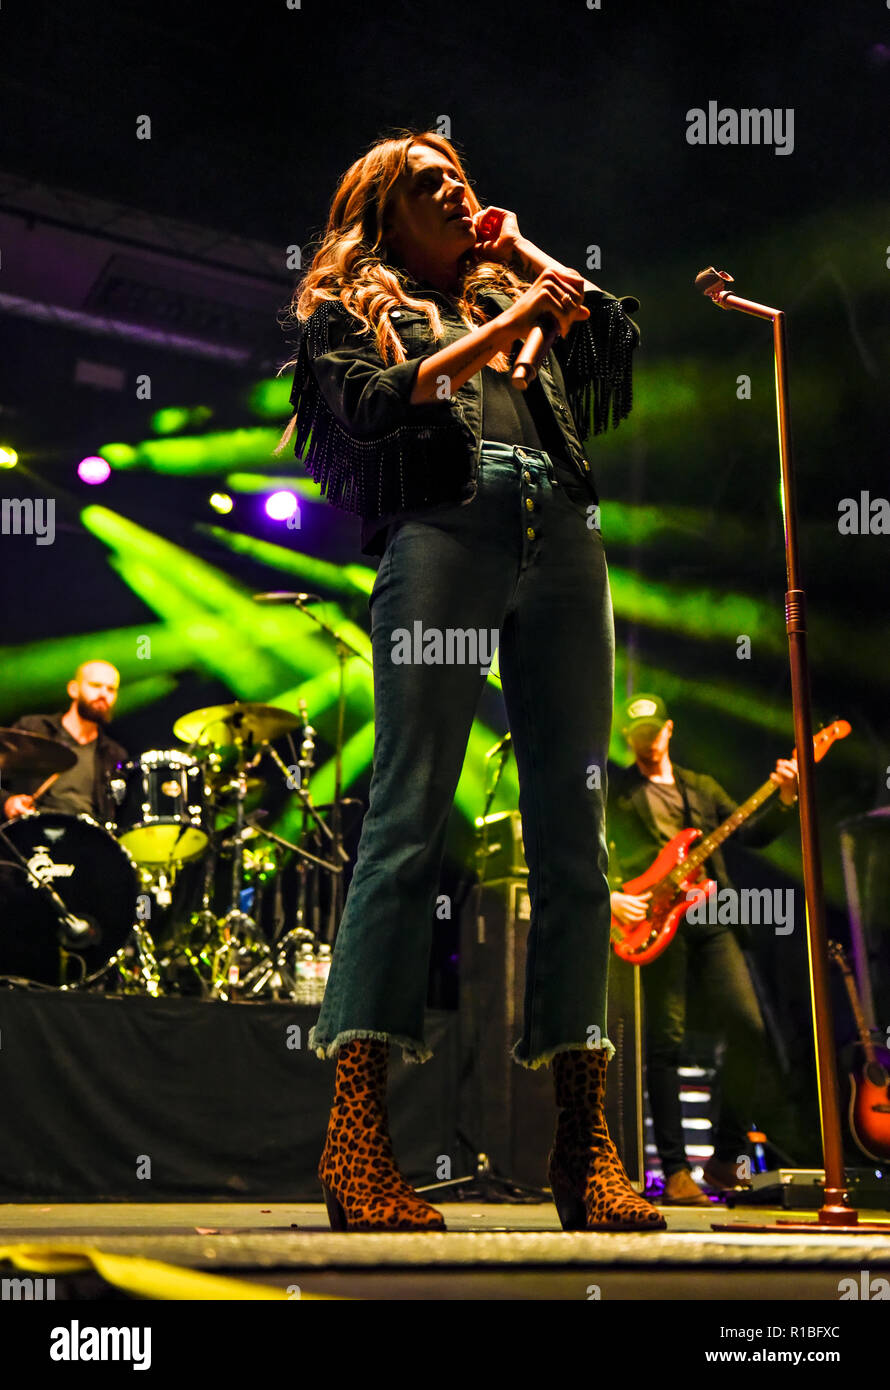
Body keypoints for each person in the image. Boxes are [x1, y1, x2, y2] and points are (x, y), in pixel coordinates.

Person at [277, 129, 664, 1233]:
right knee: (406, 820)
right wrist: (513, 317)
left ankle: (582, 1148)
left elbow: (614, 334)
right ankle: (357, 1140)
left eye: (460, 178)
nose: (455, 190)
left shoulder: (510, 289)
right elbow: (368, 406)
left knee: (576, 838)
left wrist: (525, 259)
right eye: (427, 183)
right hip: (446, 528)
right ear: (382, 213)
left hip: (562, 531)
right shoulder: (352, 305)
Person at [608, 693, 799, 1205]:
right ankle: (675, 1170)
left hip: (710, 915)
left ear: (668, 730)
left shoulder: (701, 788)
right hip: (652, 920)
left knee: (749, 1028)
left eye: (653, 733)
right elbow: (591, 847)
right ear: (627, 738)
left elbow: (751, 833)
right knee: (665, 1041)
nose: (647, 742)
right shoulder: (617, 791)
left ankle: (724, 1157)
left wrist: (785, 798)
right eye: (637, 736)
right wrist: (612, 896)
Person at [2, 660, 126, 824]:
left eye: (111, 689)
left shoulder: (114, 754)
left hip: (88, 835)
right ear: (73, 689)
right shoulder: (33, 728)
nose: (103, 694)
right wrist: (6, 802)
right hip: (32, 827)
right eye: (96, 685)